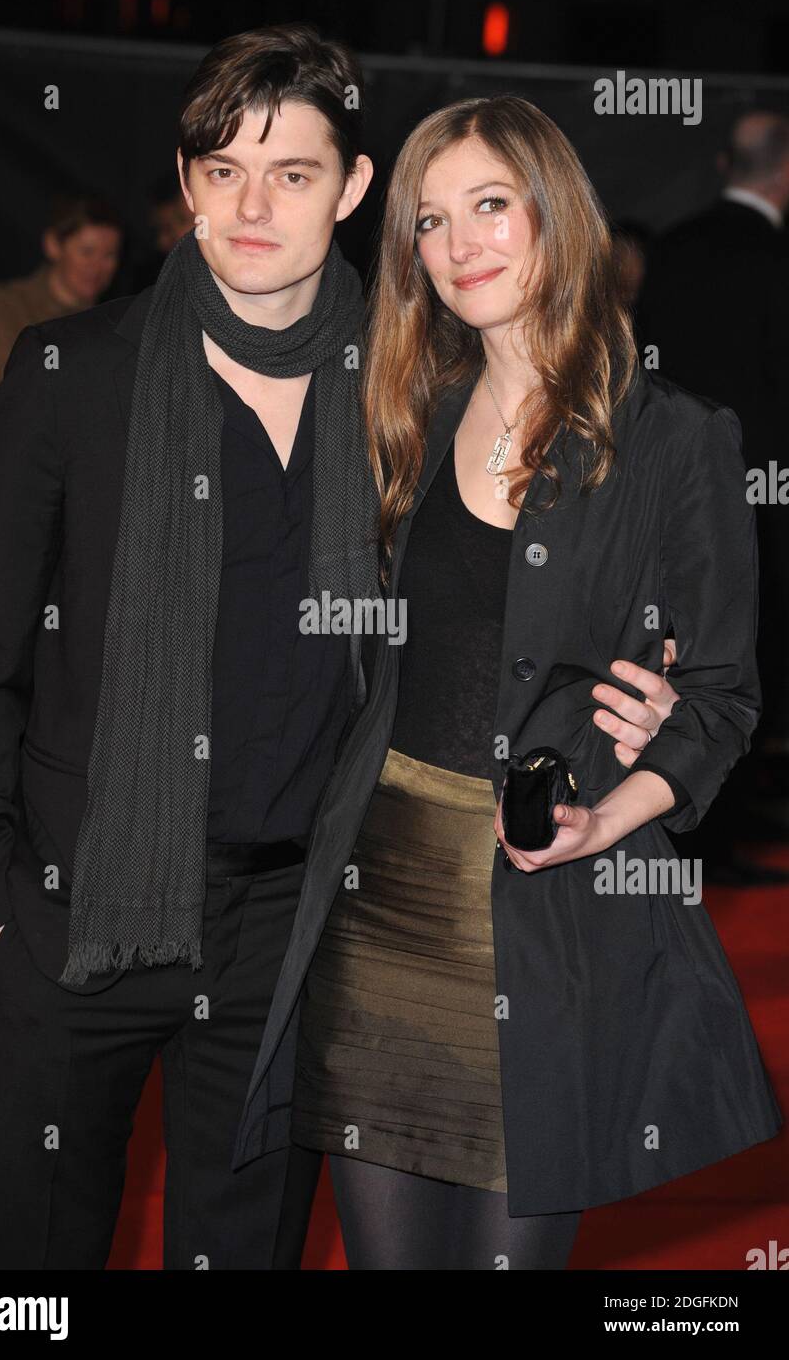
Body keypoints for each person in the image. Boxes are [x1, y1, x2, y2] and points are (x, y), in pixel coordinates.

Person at [285, 95, 783, 1269]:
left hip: (546, 910)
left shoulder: (672, 442)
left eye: (489, 206)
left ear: (553, 215)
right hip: (381, 900)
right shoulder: (397, 415)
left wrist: (616, 803)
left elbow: (720, 697)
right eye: (429, 221)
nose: (459, 246)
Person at [0, 23, 377, 1270]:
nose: (250, 203)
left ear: (351, 187)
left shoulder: (400, 389)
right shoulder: (74, 371)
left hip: (288, 929)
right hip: (79, 915)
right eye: (220, 168)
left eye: (290, 172)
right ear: (183, 185)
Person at [636, 113, 789, 865]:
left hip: (663, 483)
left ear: (725, 161)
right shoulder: (775, 256)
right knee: (738, 655)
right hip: (760, 493)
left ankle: (701, 820)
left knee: (679, 649)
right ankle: (727, 819)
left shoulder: (675, 245)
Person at [0, 194, 124, 403]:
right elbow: (6, 401)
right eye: (87, 252)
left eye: (110, 255)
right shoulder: (2, 308)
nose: (98, 267)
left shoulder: (116, 321)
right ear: (53, 245)